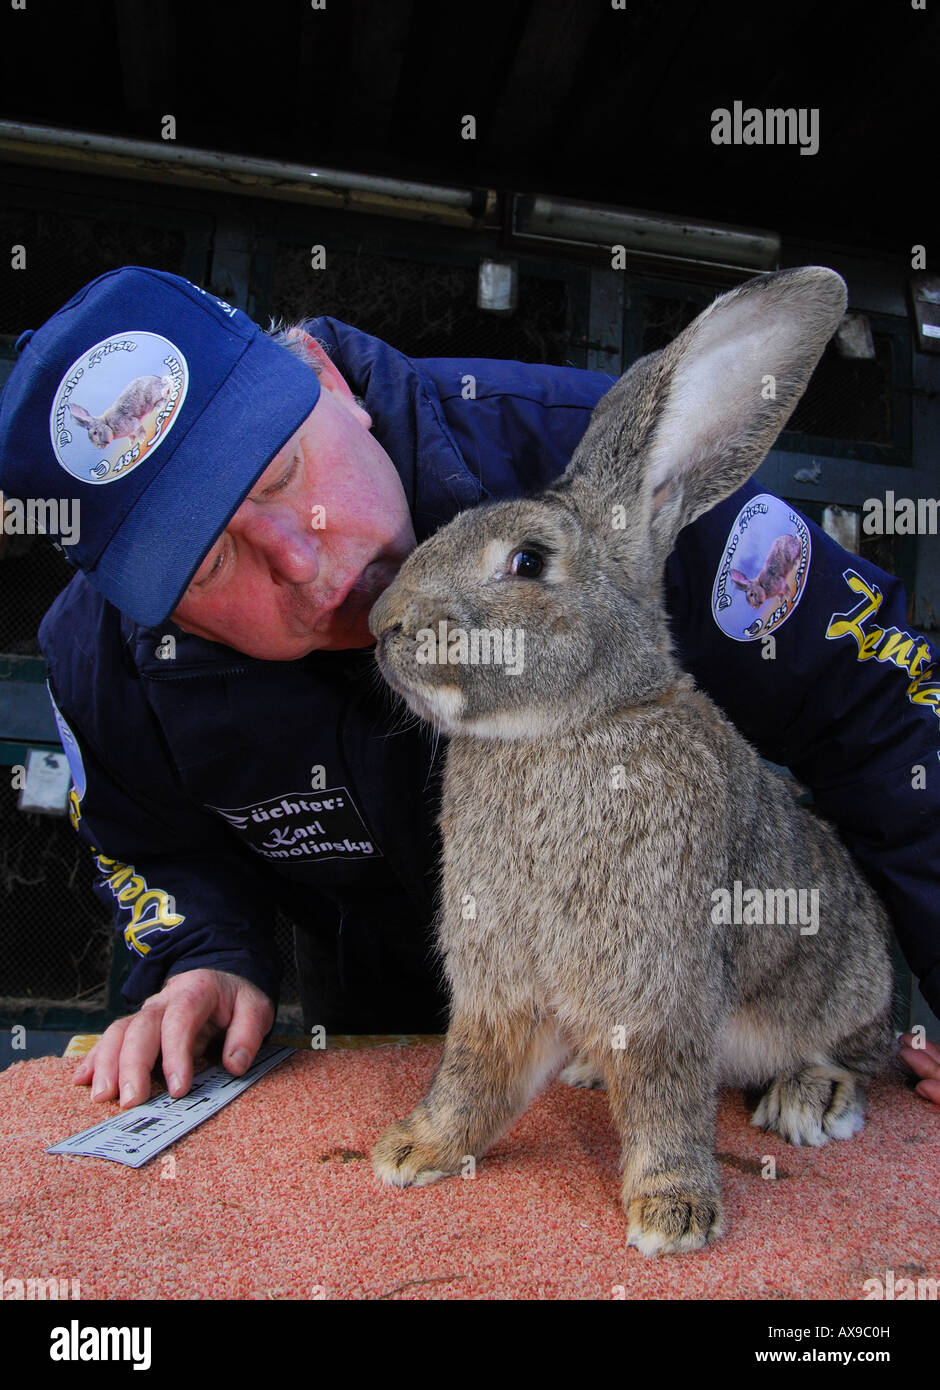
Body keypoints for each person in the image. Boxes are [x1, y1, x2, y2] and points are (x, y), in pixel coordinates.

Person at [0, 265, 937, 1112]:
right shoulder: (102, 660)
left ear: (326, 379)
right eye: (208, 566)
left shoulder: (578, 470)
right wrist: (200, 956)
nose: (300, 559)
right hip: (396, 1014)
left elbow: (881, 705)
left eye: (283, 470)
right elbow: (151, 844)